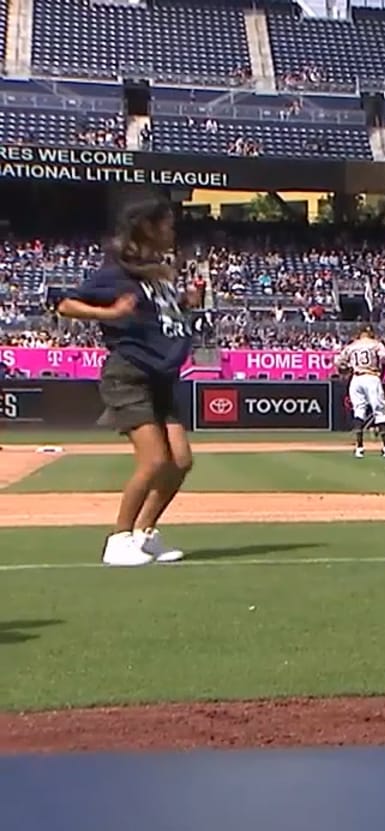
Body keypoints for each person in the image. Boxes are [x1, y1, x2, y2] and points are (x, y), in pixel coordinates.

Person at [56, 194, 198, 567]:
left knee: (180, 461)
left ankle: (144, 534)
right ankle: (118, 538)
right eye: (166, 223)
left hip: (162, 377)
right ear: (148, 227)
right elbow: (66, 305)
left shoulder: (157, 272)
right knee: (153, 462)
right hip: (130, 373)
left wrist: (186, 303)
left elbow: (158, 315)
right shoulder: (116, 273)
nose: (172, 230)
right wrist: (109, 312)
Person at [336, 324, 385, 459]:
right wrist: (381, 371)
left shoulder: (352, 345)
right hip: (371, 376)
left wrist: (348, 369)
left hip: (356, 378)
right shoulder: (375, 344)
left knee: (359, 411)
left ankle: (359, 448)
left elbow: (339, 361)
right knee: (379, 412)